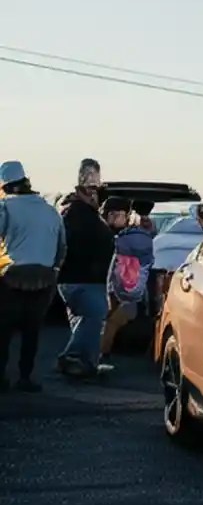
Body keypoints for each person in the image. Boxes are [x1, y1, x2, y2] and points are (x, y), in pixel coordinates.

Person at [0, 161, 66, 392]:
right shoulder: (50, 210)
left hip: (11, 276)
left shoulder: (5, 207)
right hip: (44, 278)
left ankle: (2, 377)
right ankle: (25, 377)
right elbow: (62, 248)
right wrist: (54, 269)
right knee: (32, 331)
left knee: (3, 331)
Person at [57, 160, 116, 379]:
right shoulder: (76, 214)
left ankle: (88, 363)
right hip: (82, 277)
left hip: (84, 277)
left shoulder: (85, 213)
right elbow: (70, 244)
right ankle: (72, 356)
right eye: (91, 189)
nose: (95, 195)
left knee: (84, 320)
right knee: (94, 316)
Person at [99, 199, 154, 371]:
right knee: (112, 321)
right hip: (131, 290)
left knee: (108, 322)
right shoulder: (144, 237)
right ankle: (102, 354)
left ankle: (101, 354)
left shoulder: (116, 238)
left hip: (115, 287)